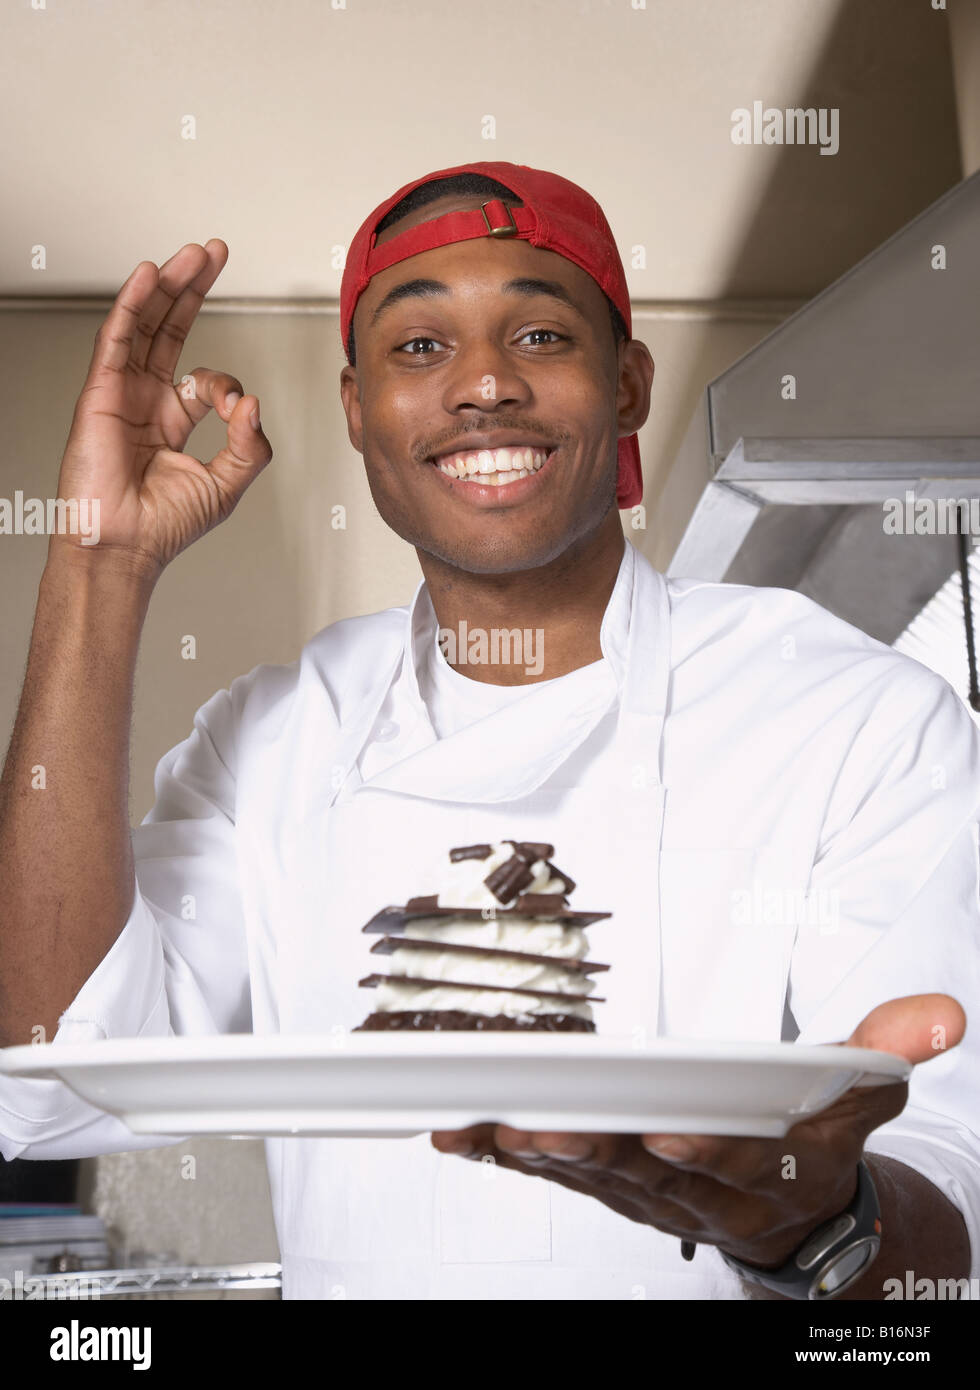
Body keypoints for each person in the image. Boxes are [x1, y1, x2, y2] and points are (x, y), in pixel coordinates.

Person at [1, 161, 978, 1302]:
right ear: (357, 410)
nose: (481, 385)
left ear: (626, 384)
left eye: (540, 336)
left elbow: (944, 1209)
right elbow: (46, 1078)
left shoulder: (849, 716)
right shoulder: (271, 739)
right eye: (418, 347)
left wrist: (814, 1219)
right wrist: (98, 563)